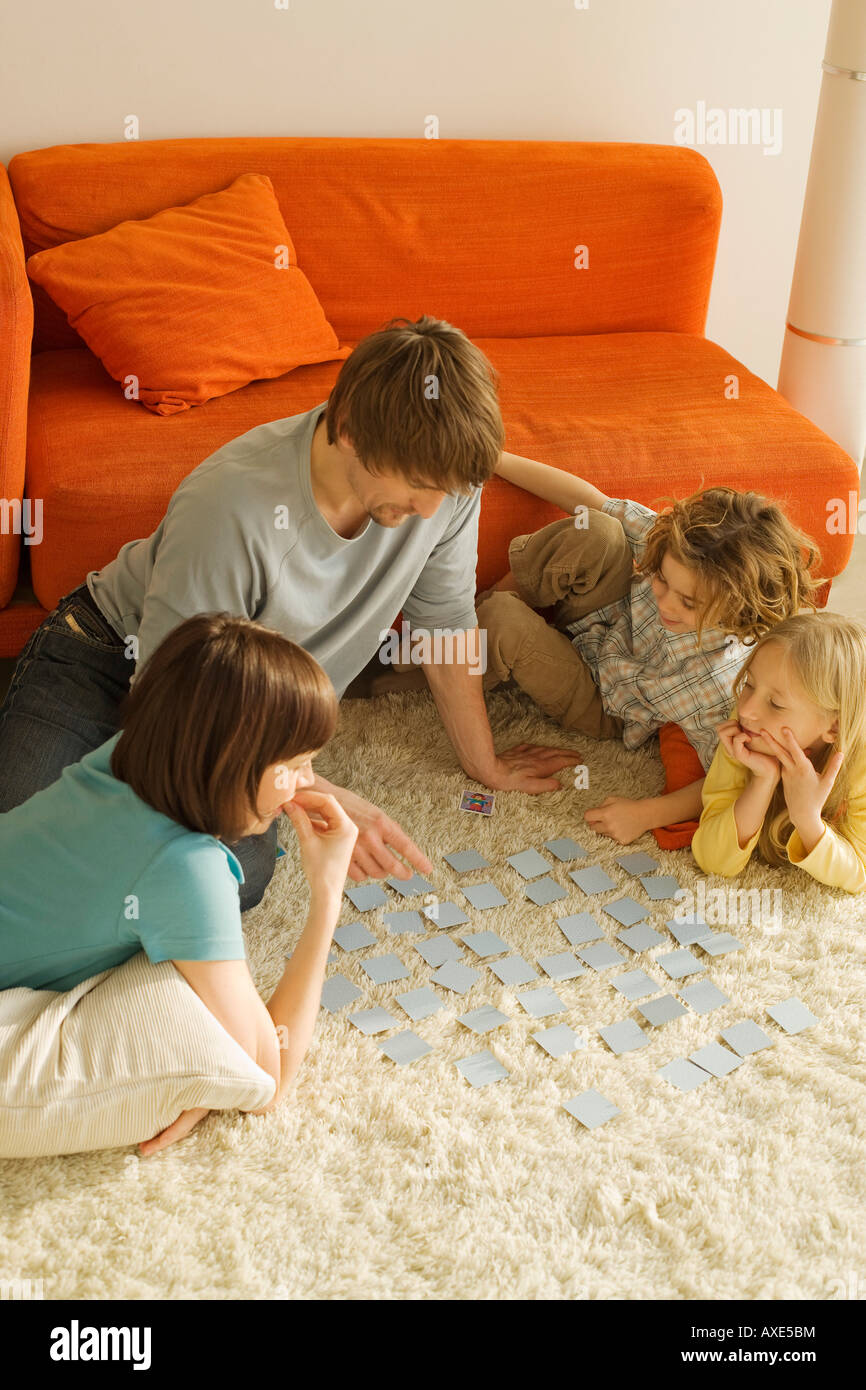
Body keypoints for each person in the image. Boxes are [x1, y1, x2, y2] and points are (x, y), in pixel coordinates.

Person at [0, 316, 578, 906]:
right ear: (350, 429)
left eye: (447, 490)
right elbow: (175, 697)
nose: (432, 510)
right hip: (111, 659)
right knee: (18, 860)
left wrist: (483, 762)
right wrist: (308, 784)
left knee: (233, 876)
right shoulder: (231, 504)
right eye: (418, 484)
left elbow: (445, 619)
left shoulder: (446, 489)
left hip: (240, 706)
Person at [0, 614, 362, 1155]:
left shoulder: (125, 757)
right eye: (297, 764)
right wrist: (327, 895)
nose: (306, 782)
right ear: (235, 759)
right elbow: (271, 1078)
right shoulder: (185, 867)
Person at [475, 452, 820, 844]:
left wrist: (644, 814)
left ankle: (450, 659)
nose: (666, 603)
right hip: (602, 620)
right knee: (598, 530)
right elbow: (584, 498)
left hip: (603, 699)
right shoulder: (676, 547)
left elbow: (723, 780)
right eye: (661, 578)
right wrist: (494, 457)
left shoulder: (722, 681)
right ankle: (462, 622)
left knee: (503, 618)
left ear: (737, 613)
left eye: (688, 603)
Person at [691, 612, 866, 893]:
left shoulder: (860, 767)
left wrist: (807, 818)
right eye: (748, 684)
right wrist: (763, 780)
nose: (746, 710)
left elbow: (859, 875)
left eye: (775, 703)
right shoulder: (747, 731)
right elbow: (712, 860)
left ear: (834, 725)